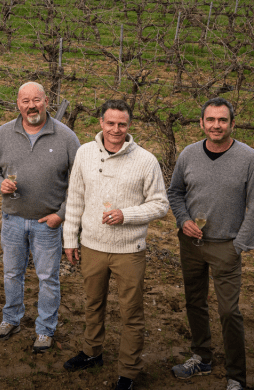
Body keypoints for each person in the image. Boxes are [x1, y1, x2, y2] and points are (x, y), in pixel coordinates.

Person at [62, 100, 169, 390]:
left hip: (129, 251)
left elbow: (160, 204)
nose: (116, 129)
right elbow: (75, 198)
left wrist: (126, 215)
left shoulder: (146, 160)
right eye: (110, 123)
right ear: (101, 123)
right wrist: (70, 238)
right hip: (92, 246)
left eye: (122, 124)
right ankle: (91, 352)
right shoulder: (85, 153)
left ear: (129, 125)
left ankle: (128, 372)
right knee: (92, 303)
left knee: (131, 312)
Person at [167, 98, 254, 390]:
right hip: (191, 243)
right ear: (201, 123)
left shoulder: (249, 158)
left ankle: (236, 377)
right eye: (210, 120)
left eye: (222, 120)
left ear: (232, 124)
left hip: (226, 246)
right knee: (194, 301)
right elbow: (175, 192)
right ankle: (201, 356)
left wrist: (240, 244)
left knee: (229, 312)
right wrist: (183, 220)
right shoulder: (189, 154)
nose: (216, 125)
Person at [0, 82, 81, 353]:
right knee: (11, 273)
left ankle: (45, 329)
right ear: (18, 104)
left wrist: (61, 215)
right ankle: (11, 319)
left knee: (48, 278)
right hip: (12, 220)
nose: (31, 106)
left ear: (46, 101)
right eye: (25, 101)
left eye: (36, 100)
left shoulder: (66, 137)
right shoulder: (4, 133)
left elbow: (81, 181)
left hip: (47, 224)